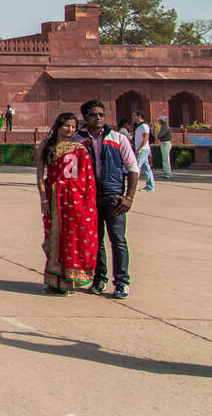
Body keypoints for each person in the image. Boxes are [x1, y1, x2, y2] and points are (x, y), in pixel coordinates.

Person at [74, 100, 139, 300]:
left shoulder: (118, 138)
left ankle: (121, 282)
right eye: (94, 115)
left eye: (101, 114)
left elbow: (133, 169)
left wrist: (129, 197)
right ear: (85, 118)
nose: (99, 118)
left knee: (118, 240)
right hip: (90, 198)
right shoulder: (77, 140)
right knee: (96, 242)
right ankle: (99, 279)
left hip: (114, 196)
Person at [36, 112, 98, 294]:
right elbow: (40, 176)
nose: (70, 130)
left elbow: (87, 180)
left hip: (74, 202)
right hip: (54, 199)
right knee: (53, 239)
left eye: (73, 127)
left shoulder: (79, 149)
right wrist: (44, 199)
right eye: (66, 126)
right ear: (58, 126)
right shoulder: (47, 146)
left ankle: (68, 282)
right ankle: (53, 280)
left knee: (71, 239)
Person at [131, 110, 156, 192]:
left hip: (143, 149)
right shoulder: (138, 126)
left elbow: (146, 138)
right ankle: (150, 186)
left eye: (134, 115)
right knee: (146, 168)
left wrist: (140, 148)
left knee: (136, 166)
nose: (133, 117)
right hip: (141, 148)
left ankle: (132, 185)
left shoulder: (144, 126)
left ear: (139, 116)